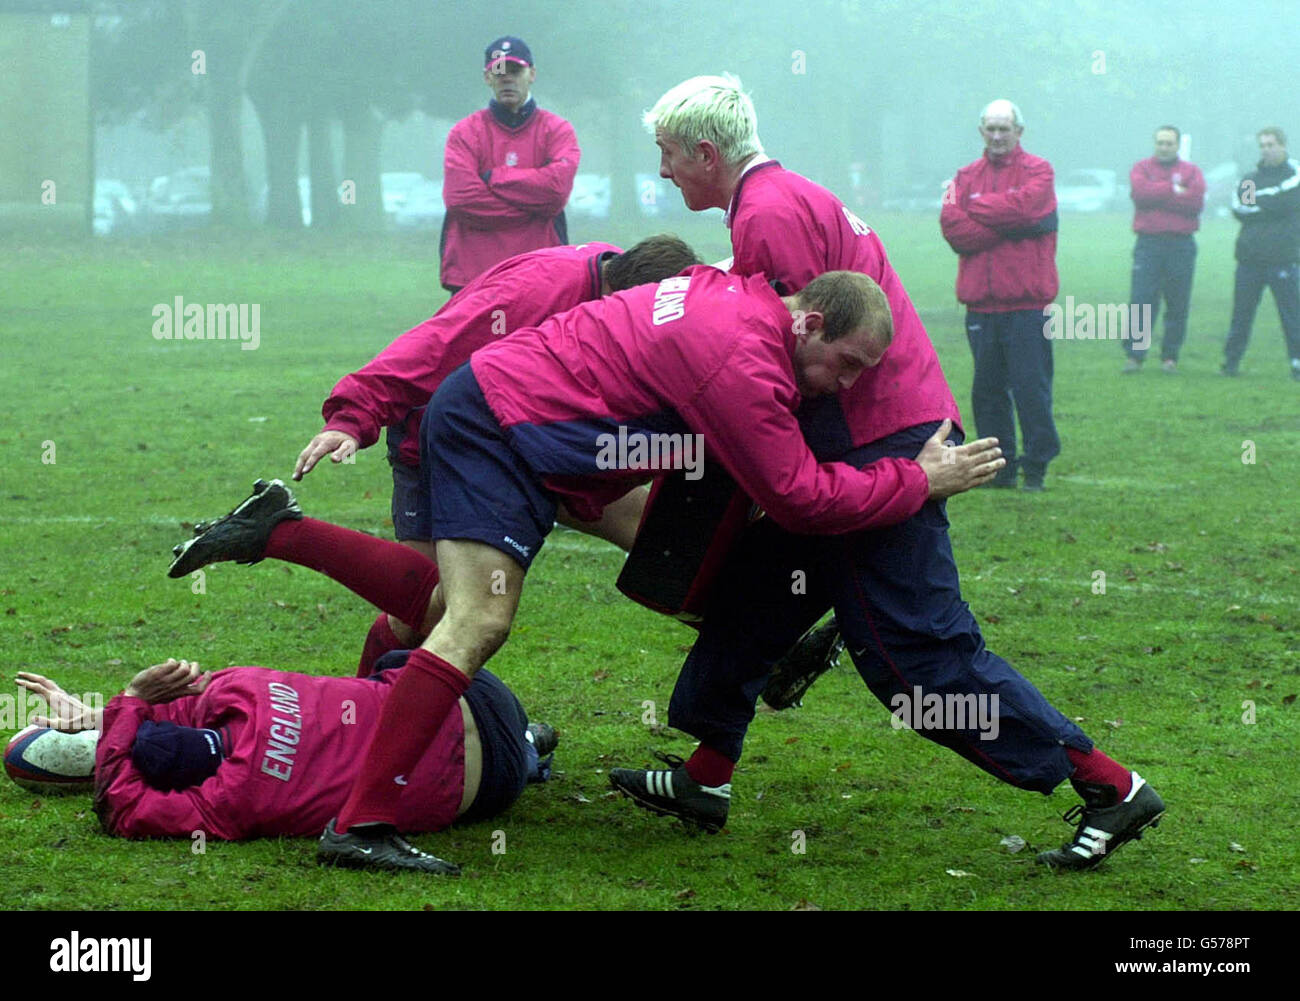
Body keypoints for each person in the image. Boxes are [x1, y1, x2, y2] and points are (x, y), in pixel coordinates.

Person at [607, 75, 1164, 872]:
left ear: (704, 151)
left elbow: (804, 360)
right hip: (873, 437)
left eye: (666, 155)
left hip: (878, 443)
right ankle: (705, 777)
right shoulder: (777, 198)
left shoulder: (768, 212)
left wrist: (788, 468)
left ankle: (1110, 784)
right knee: (751, 596)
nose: (662, 171)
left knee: (917, 661)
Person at [281, 264, 1004, 872]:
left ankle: (355, 779)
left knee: (454, 606)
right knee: (474, 618)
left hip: (526, 429)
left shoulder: (736, 296)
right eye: (845, 363)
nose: (845, 384)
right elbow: (800, 497)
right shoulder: (741, 357)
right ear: (808, 321)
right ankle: (360, 823)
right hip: (499, 428)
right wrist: (918, 481)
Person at [13, 525, 557, 857]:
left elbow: (122, 810)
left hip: (494, 787)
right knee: (394, 651)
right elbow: (172, 701)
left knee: (380, 694)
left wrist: (111, 728)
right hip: (477, 694)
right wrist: (123, 706)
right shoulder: (239, 690)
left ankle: (531, 748)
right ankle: (289, 535)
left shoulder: (229, 804)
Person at [290, 235, 700, 667]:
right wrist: (353, 415)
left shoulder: (621, 277)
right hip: (439, 441)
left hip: (526, 442)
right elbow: (435, 345)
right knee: (431, 610)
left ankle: (747, 650)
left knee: (659, 533)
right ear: (620, 298)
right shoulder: (535, 292)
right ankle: (362, 706)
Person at [940, 98, 1060, 492]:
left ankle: (1037, 466)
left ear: (1018, 132)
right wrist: (1009, 222)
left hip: (1027, 306)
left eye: (1003, 129)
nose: (996, 136)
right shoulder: (962, 175)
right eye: (990, 129)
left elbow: (1028, 208)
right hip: (981, 305)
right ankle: (1000, 469)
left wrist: (976, 209)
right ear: (981, 131)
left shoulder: (1039, 171)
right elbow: (952, 226)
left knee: (1031, 389)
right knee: (987, 391)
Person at [439, 36, 580, 294]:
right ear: (487, 78)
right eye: (498, 71)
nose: (507, 78)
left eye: (515, 70)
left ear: (532, 74)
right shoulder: (464, 133)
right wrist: (533, 209)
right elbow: (461, 200)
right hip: (474, 276)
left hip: (540, 273)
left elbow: (556, 191)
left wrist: (495, 177)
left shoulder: (557, 130)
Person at [1124, 126, 1206, 374]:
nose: (1164, 147)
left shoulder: (1191, 171)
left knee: (1177, 301)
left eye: (1169, 143)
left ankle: (1170, 357)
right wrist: (1172, 189)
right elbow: (1140, 195)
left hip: (1180, 245)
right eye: (1160, 142)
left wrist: (1156, 192)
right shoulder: (1141, 168)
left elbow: (1195, 202)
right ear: (1154, 143)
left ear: (1178, 145)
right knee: (1141, 300)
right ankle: (1135, 356)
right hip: (1148, 244)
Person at [1221, 127, 1300, 380]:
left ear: (1283, 145)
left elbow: (1288, 200)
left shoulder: (1294, 173)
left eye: (1271, 144)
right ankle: (1231, 361)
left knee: (1292, 314)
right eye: (1262, 145)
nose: (1266, 149)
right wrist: (1269, 206)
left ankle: (1297, 362)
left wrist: (1258, 204)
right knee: (1241, 314)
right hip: (1249, 259)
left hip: (1282, 258)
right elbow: (1240, 209)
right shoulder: (1248, 179)